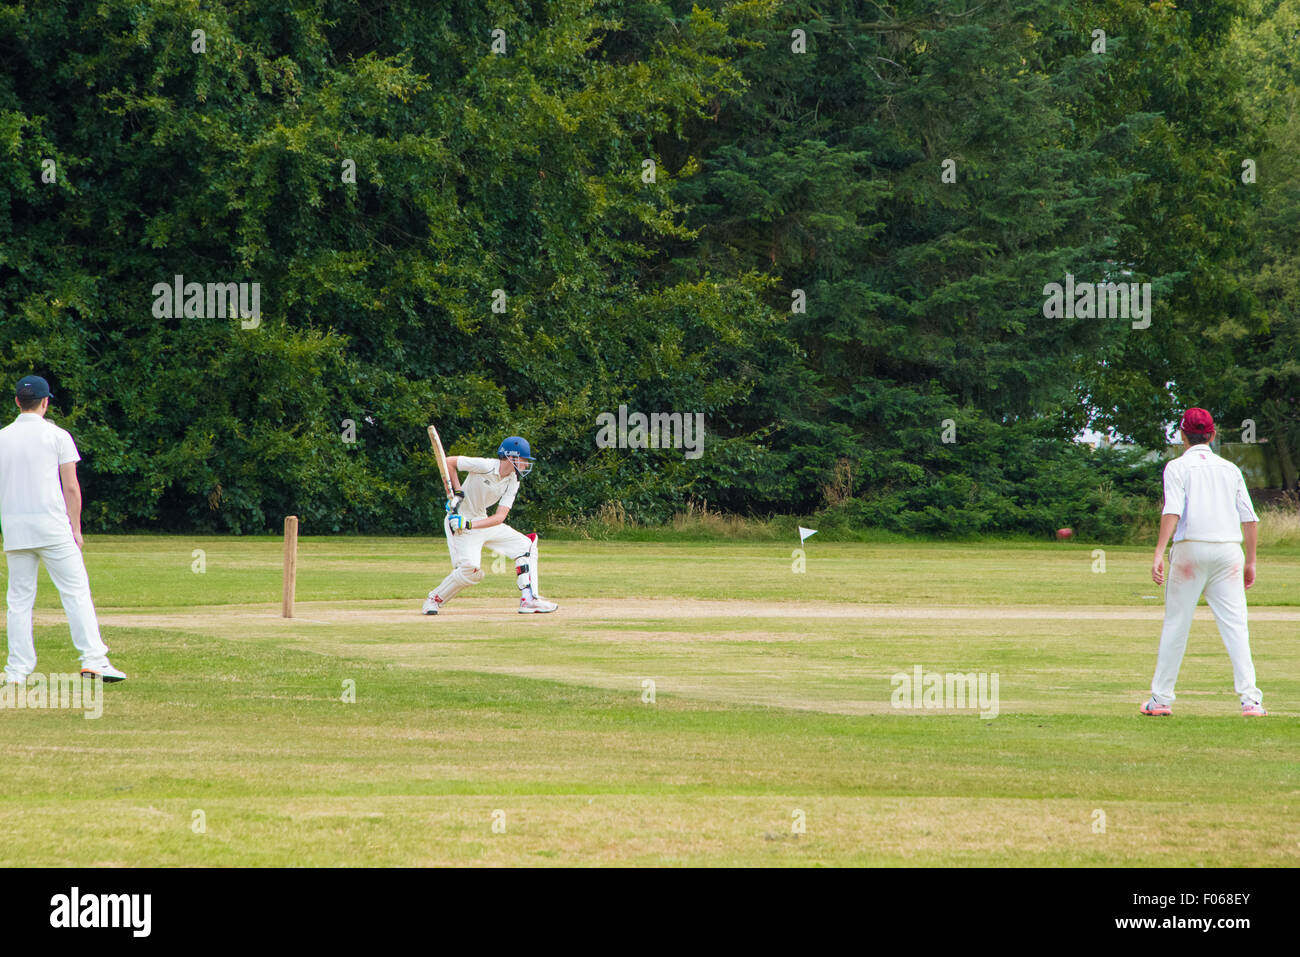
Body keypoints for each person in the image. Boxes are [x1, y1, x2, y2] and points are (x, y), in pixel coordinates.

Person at [0, 376, 126, 683]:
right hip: (53, 528)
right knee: (75, 592)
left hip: (16, 529)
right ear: (45, 402)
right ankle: (94, 659)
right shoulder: (57, 435)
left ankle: (17, 670)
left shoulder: (2, 437)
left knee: (18, 600)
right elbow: (71, 487)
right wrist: (76, 528)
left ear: (17, 401)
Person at [1143, 408, 1261, 716]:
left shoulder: (1177, 467)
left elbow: (1173, 510)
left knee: (1176, 625)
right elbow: (1249, 518)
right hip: (1228, 551)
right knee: (1236, 627)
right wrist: (1251, 561)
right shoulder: (1230, 469)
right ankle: (1251, 700)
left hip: (1190, 550)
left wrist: (1158, 551)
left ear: (1183, 435)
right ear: (1212, 434)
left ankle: (1161, 700)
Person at [422, 436, 557, 615]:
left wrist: (471, 524)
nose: (525, 465)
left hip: (477, 522)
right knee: (471, 571)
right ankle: (434, 599)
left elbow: (500, 516)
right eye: (524, 460)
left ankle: (529, 599)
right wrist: (458, 492)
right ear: (512, 457)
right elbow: (449, 462)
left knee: (526, 545)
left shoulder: (513, 480)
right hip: (458, 523)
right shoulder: (486, 466)